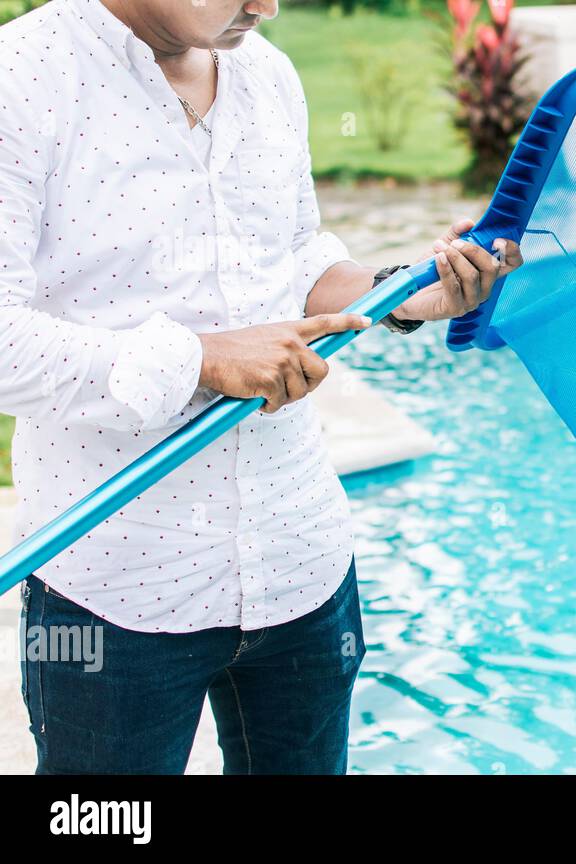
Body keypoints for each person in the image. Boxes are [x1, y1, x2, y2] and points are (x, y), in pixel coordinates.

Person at [0, 0, 522, 774]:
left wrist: (404, 291)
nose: (267, 6)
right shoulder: (23, 77)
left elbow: (296, 259)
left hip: (300, 567)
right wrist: (201, 361)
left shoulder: (268, 72)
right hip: (114, 589)